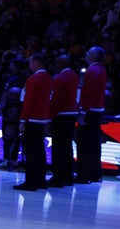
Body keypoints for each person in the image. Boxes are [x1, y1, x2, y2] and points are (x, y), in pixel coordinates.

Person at [14, 53, 53, 191]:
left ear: (36, 62)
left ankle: (30, 182)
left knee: (30, 152)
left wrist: (23, 120)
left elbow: (29, 101)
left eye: (31, 62)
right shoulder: (48, 78)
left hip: (32, 119)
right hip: (42, 119)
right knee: (40, 151)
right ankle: (40, 180)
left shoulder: (34, 78)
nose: (29, 65)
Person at [75, 46, 108, 184]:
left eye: (89, 52)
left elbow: (89, 93)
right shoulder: (101, 69)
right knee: (94, 143)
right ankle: (95, 174)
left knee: (84, 143)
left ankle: (84, 175)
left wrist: (83, 111)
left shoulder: (92, 71)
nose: (86, 53)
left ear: (94, 56)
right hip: (97, 110)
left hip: (90, 111)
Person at [47, 55, 79, 187]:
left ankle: (58, 177)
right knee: (67, 146)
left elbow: (56, 100)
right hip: (72, 114)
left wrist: (49, 117)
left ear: (60, 64)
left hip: (61, 115)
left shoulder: (59, 78)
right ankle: (68, 176)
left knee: (58, 147)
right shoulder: (74, 76)